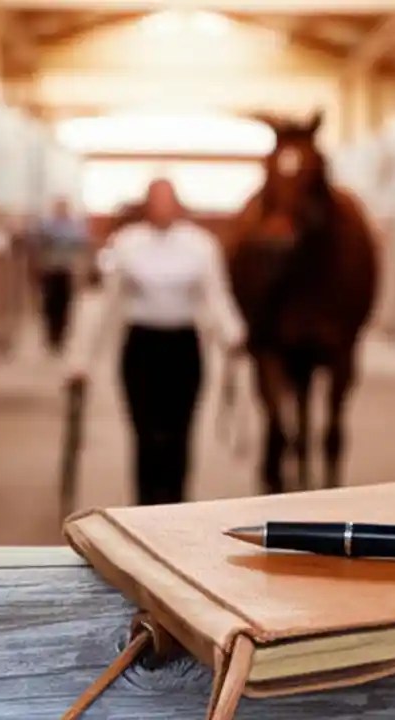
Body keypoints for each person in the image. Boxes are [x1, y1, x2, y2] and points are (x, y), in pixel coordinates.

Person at [65, 179, 246, 506]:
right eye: (156, 200)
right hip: (141, 347)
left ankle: (176, 501)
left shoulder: (201, 245)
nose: (162, 208)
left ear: (178, 205)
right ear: (146, 205)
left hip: (183, 347)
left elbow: (216, 295)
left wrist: (232, 335)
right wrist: (81, 360)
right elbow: (105, 304)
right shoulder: (126, 244)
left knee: (180, 432)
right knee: (145, 433)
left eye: (167, 200)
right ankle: (145, 502)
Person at [33, 197, 90, 354]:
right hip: (49, 269)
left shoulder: (74, 226)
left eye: (63, 207)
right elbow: (37, 243)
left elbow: (81, 245)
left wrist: (81, 269)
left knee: (65, 303)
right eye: (59, 207)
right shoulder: (46, 224)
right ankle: (51, 334)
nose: (61, 210)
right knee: (49, 304)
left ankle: (61, 335)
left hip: (66, 270)